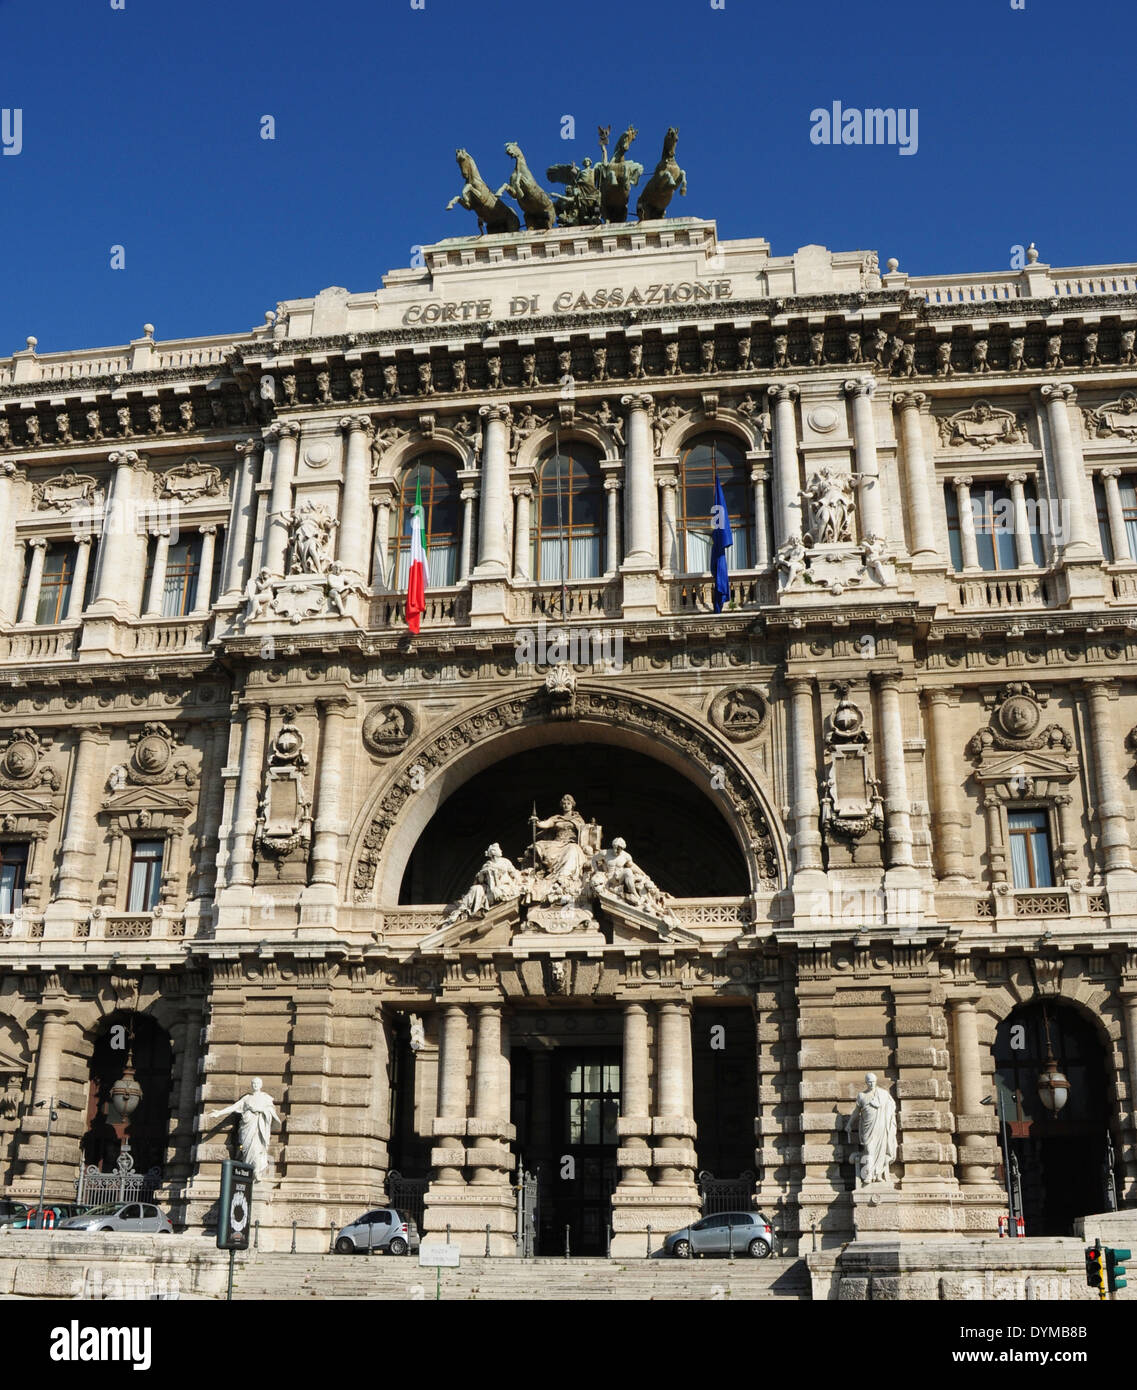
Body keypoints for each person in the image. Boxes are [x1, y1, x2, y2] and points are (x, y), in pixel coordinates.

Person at [208, 1078, 282, 1181]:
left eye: (257, 1083)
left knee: (256, 1149)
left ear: (261, 1085)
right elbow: (234, 1107)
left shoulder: (266, 1098)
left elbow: (271, 1112)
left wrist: (259, 1110)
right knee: (245, 1149)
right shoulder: (246, 1098)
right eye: (253, 1083)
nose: (255, 1085)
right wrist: (219, 1113)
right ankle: (248, 1170)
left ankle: (256, 1171)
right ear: (251, 1085)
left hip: (258, 1128)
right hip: (246, 1128)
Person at [845, 1072, 897, 1185]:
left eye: (873, 1081)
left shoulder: (883, 1094)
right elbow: (856, 1112)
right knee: (869, 1149)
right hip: (868, 1128)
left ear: (876, 1081)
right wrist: (849, 1124)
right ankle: (869, 1173)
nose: (871, 1084)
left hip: (881, 1127)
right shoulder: (861, 1096)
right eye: (869, 1082)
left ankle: (877, 1175)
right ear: (866, 1082)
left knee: (881, 1151)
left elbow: (892, 1106)